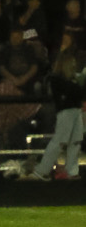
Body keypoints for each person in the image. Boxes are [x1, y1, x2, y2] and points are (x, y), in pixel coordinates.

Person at [30, 50, 85, 180]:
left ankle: (72, 171)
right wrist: (78, 84)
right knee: (59, 142)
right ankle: (41, 171)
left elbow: (79, 93)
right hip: (65, 112)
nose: (74, 65)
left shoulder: (74, 79)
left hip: (76, 111)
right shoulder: (56, 79)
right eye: (71, 62)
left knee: (76, 142)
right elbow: (73, 92)